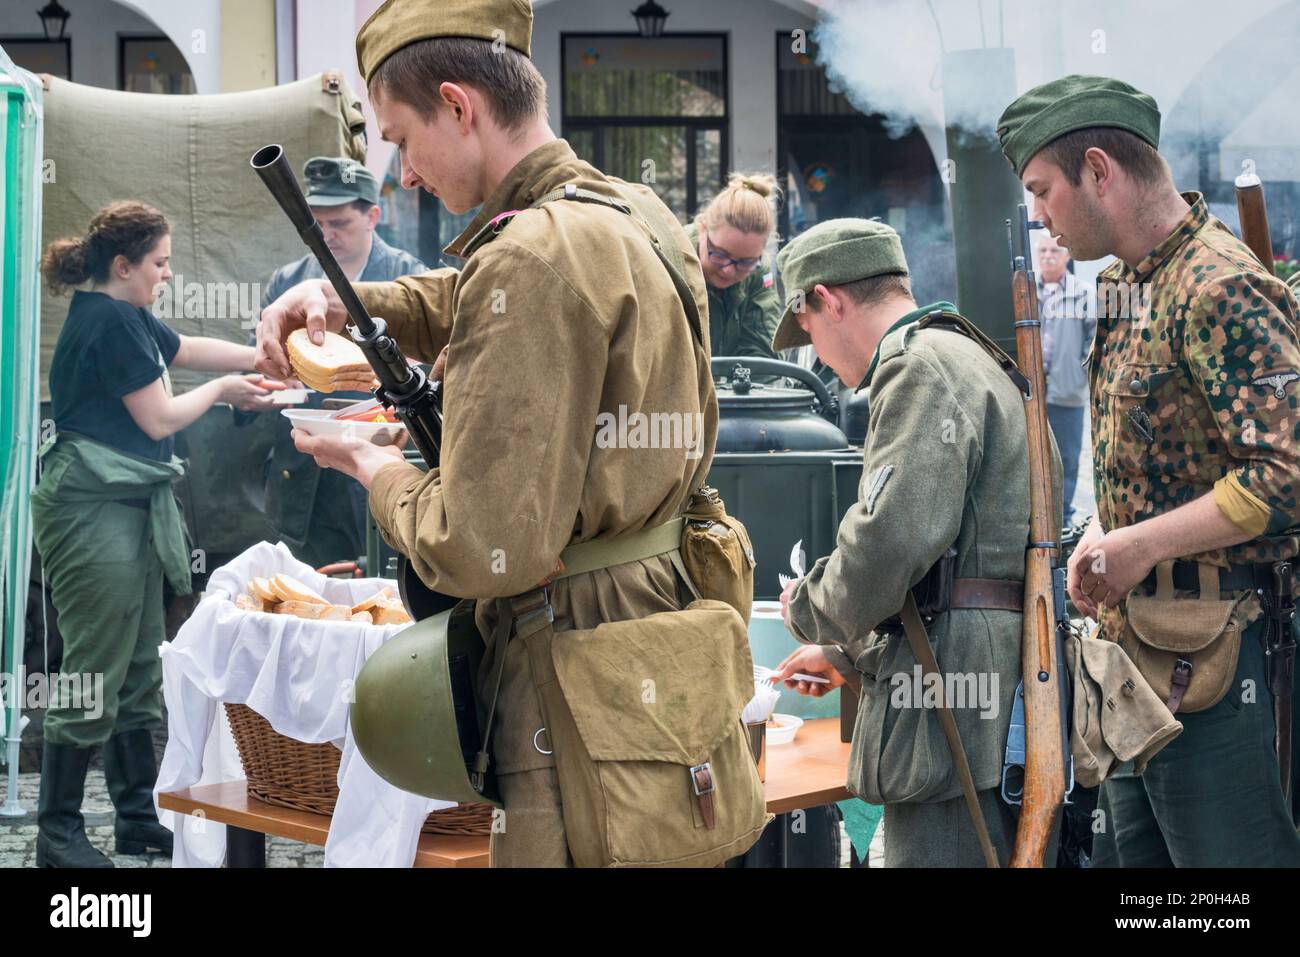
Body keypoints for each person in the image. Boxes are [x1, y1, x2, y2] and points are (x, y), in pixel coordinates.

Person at [254, 0, 764, 866]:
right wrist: (353, 299)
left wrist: (370, 465)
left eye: (402, 136)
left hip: (569, 659)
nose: (404, 173)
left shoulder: (532, 253)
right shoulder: (630, 212)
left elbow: (479, 544)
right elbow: (485, 296)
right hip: (659, 627)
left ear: (460, 107)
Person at [998, 74, 1300, 866]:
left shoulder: (1220, 284)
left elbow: (1286, 475)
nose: (1040, 216)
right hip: (1134, 660)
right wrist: (1102, 531)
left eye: (1043, 190)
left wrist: (1139, 547)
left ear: (1099, 171)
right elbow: (1134, 454)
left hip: (1224, 656)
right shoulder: (1124, 286)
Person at [767, 218, 1061, 867]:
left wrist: (804, 609)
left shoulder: (918, 367)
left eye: (808, 328)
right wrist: (844, 653)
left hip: (953, 715)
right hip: (982, 691)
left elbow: (888, 547)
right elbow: (949, 570)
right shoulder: (969, 356)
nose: (814, 351)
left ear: (829, 300)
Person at [33, 200, 274, 867]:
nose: (167, 274)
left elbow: (186, 348)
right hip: (91, 509)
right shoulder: (107, 322)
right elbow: (161, 418)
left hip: (128, 504)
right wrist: (228, 388)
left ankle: (137, 817)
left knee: (139, 665)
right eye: (159, 263)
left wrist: (263, 358)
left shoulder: (127, 313)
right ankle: (57, 833)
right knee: (94, 665)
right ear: (123, 265)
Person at [236, 156, 426, 569]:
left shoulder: (405, 279)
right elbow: (258, 355)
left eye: (340, 223)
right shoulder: (288, 281)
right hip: (304, 472)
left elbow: (431, 373)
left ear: (373, 216)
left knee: (382, 580)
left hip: (381, 460)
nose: (327, 235)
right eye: (319, 223)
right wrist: (265, 379)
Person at [684, 173, 782, 363]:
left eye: (745, 262)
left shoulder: (759, 270)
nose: (728, 270)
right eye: (720, 255)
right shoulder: (670, 260)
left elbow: (763, 353)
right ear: (703, 228)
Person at [1034, 233, 1095, 524]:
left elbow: (1094, 339)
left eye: (1054, 250)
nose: (1048, 255)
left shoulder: (1083, 293)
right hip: (1030, 390)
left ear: (1067, 255)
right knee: (1033, 455)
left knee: (1067, 458)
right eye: (1043, 250)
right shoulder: (1025, 291)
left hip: (1066, 392)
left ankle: (1064, 517)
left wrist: (1079, 375)